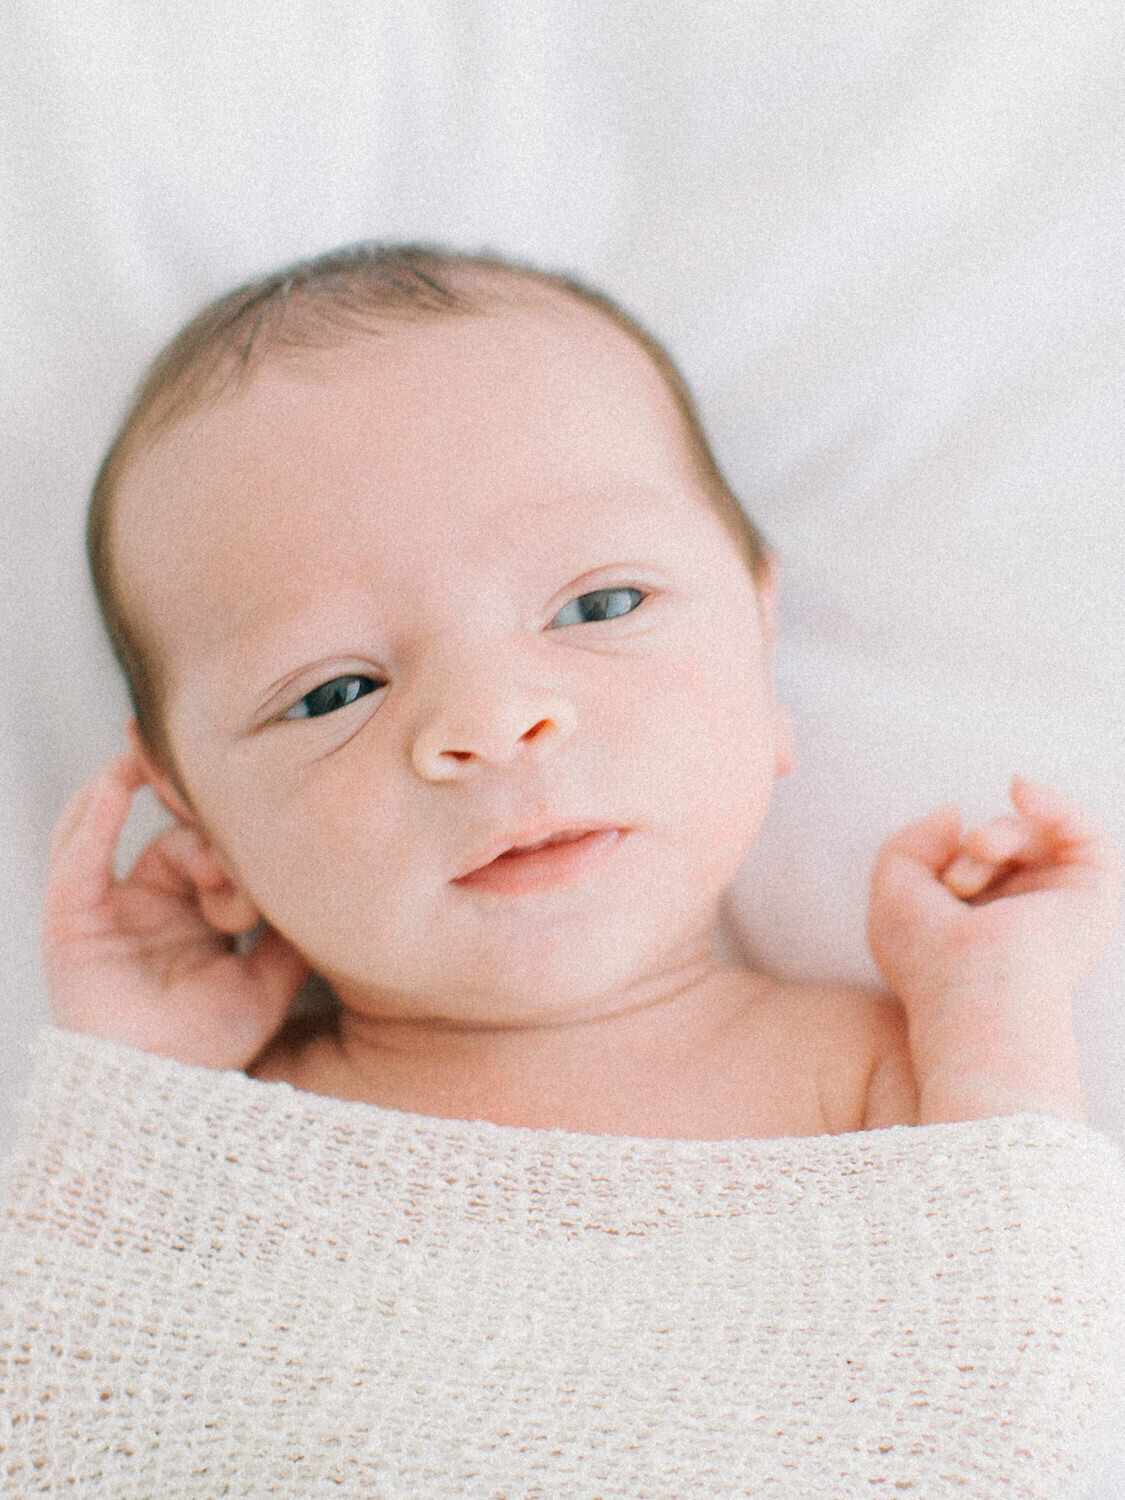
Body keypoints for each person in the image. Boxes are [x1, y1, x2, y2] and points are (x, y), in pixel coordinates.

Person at [6, 242, 1125, 1496]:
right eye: (334, 691)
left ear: (762, 651)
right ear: (206, 839)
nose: (491, 721)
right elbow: (64, 1419)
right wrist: (131, 1090)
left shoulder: (869, 1066)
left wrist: (995, 1003)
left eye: (598, 607)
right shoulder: (225, 1145)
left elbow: (1026, 1384)